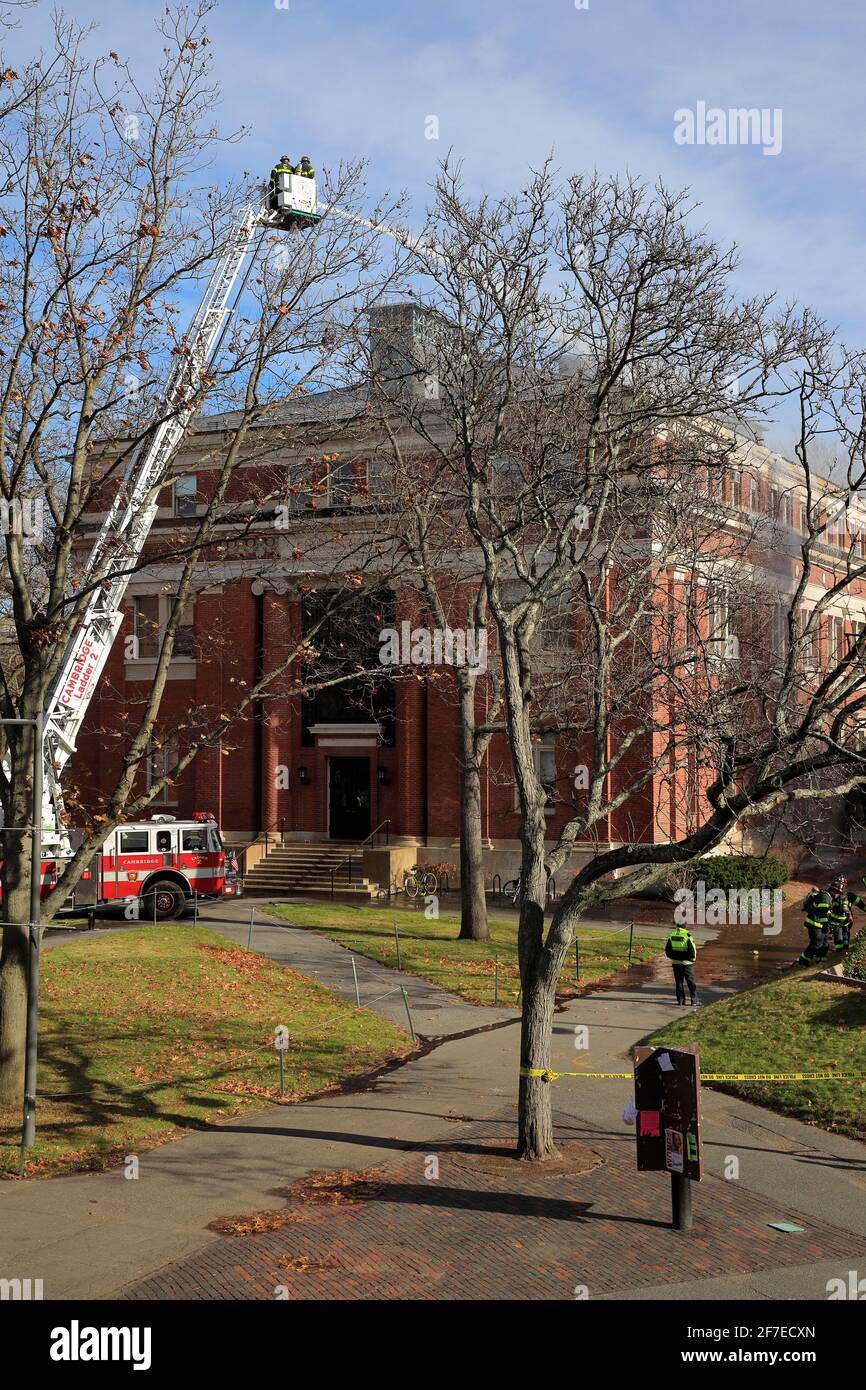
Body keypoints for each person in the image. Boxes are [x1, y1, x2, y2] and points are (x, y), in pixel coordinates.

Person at [827, 875, 866, 953]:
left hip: (841, 921)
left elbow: (860, 903)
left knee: (841, 936)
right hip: (844, 920)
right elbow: (860, 904)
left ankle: (841, 952)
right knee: (843, 935)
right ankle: (842, 951)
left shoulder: (832, 894)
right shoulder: (846, 895)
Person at [798, 883, 833, 964]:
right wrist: (826, 924)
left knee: (824, 943)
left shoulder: (827, 897)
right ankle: (803, 961)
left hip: (819, 924)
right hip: (815, 924)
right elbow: (823, 912)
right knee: (816, 944)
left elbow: (827, 912)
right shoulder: (824, 898)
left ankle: (820, 960)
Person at [665, 925, 698, 1007]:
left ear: (677, 926)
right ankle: (693, 1000)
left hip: (676, 962)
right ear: (685, 926)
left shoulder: (672, 935)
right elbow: (692, 950)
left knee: (679, 982)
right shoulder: (688, 936)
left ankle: (680, 1000)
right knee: (691, 981)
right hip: (687, 963)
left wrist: (672, 957)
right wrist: (692, 959)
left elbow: (667, 949)